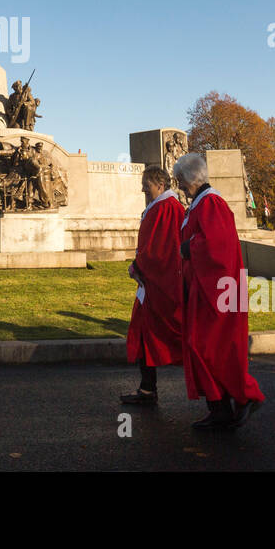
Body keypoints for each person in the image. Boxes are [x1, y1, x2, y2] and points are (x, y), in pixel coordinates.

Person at [172, 152, 264, 430]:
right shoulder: (202, 204)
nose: (178, 185)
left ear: (188, 179)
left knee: (211, 348)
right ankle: (220, 408)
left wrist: (190, 247)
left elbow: (217, 244)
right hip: (203, 287)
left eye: (179, 179)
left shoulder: (211, 203)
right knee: (203, 347)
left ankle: (245, 396)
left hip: (213, 291)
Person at [121, 166, 185, 405]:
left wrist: (137, 267)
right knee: (144, 333)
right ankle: (147, 389)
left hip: (159, 284)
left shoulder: (166, 208)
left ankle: (220, 391)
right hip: (153, 284)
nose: (143, 190)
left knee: (163, 334)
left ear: (160, 185)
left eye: (147, 187)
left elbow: (160, 249)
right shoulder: (163, 207)